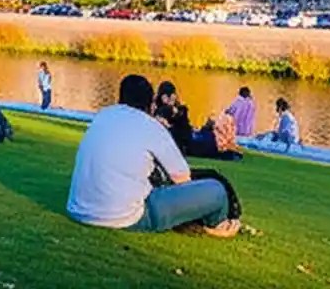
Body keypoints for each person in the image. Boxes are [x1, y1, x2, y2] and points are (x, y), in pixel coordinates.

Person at [67, 75, 240, 237]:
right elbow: (182, 178)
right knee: (216, 189)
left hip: (79, 209)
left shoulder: (103, 116)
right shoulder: (149, 125)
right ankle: (218, 224)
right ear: (151, 104)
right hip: (124, 216)